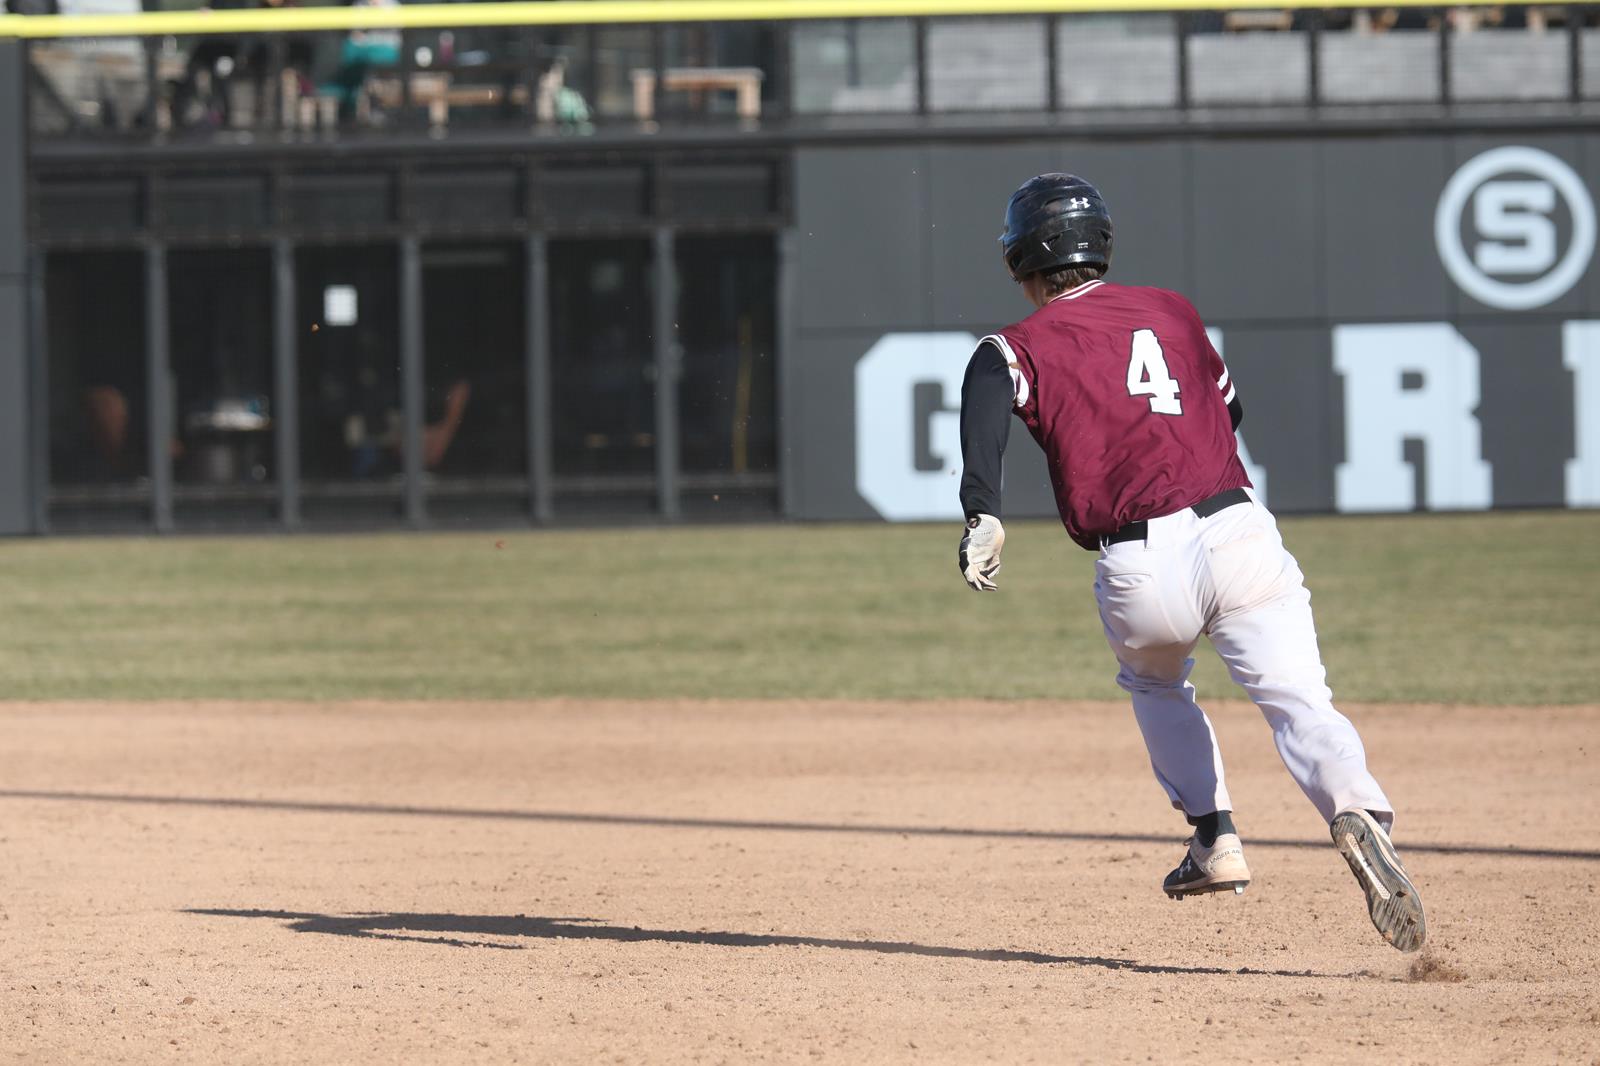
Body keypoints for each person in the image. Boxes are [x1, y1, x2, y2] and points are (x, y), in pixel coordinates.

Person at [955, 173, 1426, 953]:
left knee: (1154, 681)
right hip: (1238, 532)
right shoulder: (1170, 309)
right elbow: (1227, 408)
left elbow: (984, 381)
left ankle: (1215, 837)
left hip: (1139, 563)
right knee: (1301, 700)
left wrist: (983, 507)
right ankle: (1357, 810)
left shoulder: (1020, 343)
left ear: (1021, 258)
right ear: (1099, 245)